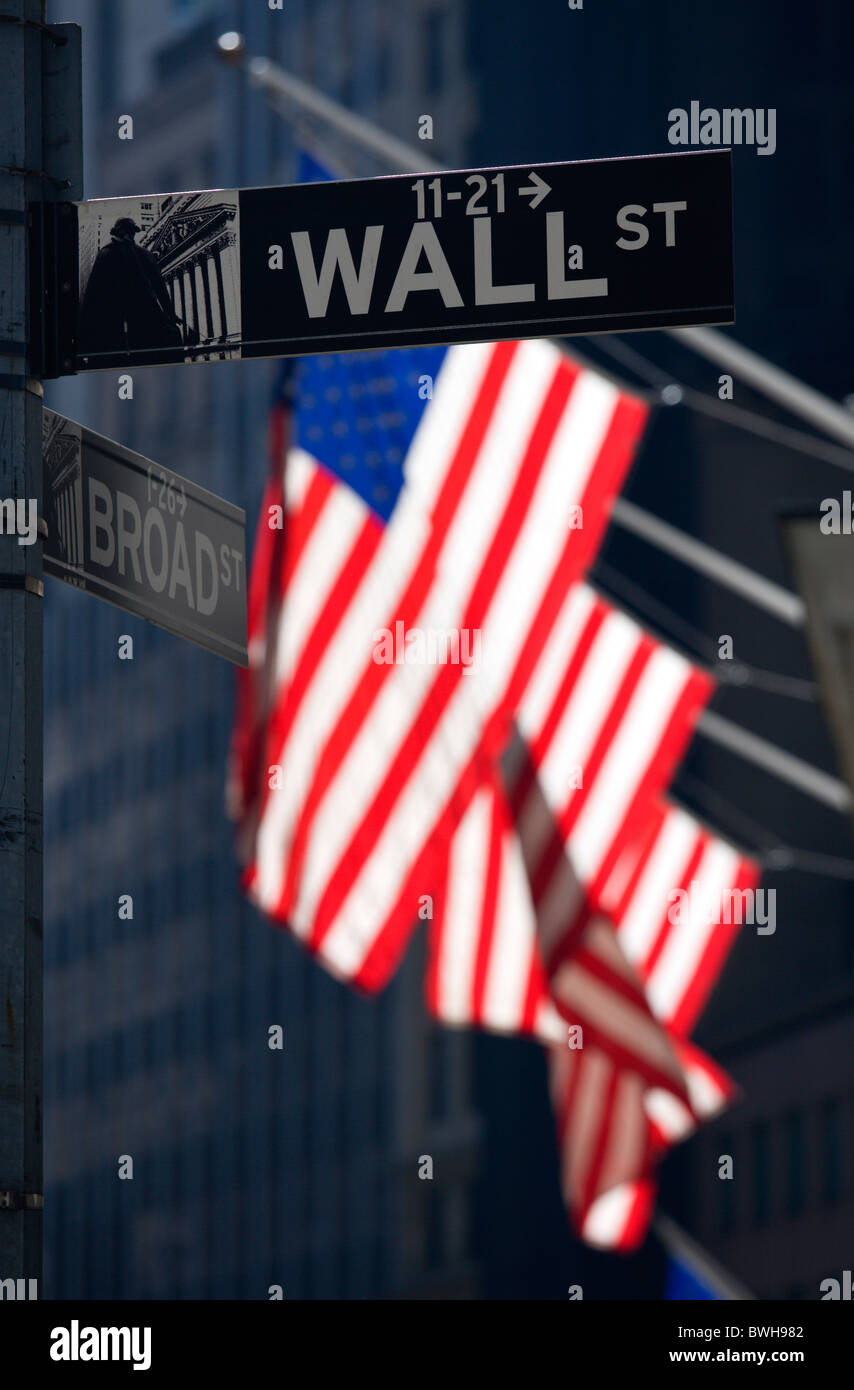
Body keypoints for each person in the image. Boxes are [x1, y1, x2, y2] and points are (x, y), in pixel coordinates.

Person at [78, 217, 186, 361]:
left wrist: (170, 314)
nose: (130, 236)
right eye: (129, 232)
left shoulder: (110, 253)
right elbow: (160, 288)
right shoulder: (138, 254)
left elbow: (92, 293)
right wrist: (170, 314)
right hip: (127, 317)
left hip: (129, 317)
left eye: (130, 233)